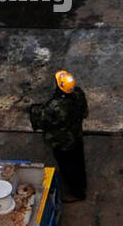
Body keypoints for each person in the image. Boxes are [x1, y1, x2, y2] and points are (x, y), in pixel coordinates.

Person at [29, 70, 88, 201]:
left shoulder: (54, 107)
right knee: (78, 161)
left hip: (61, 142)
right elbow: (85, 112)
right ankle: (82, 183)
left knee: (67, 166)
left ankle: (77, 193)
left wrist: (34, 111)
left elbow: (42, 122)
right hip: (76, 135)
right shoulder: (78, 93)